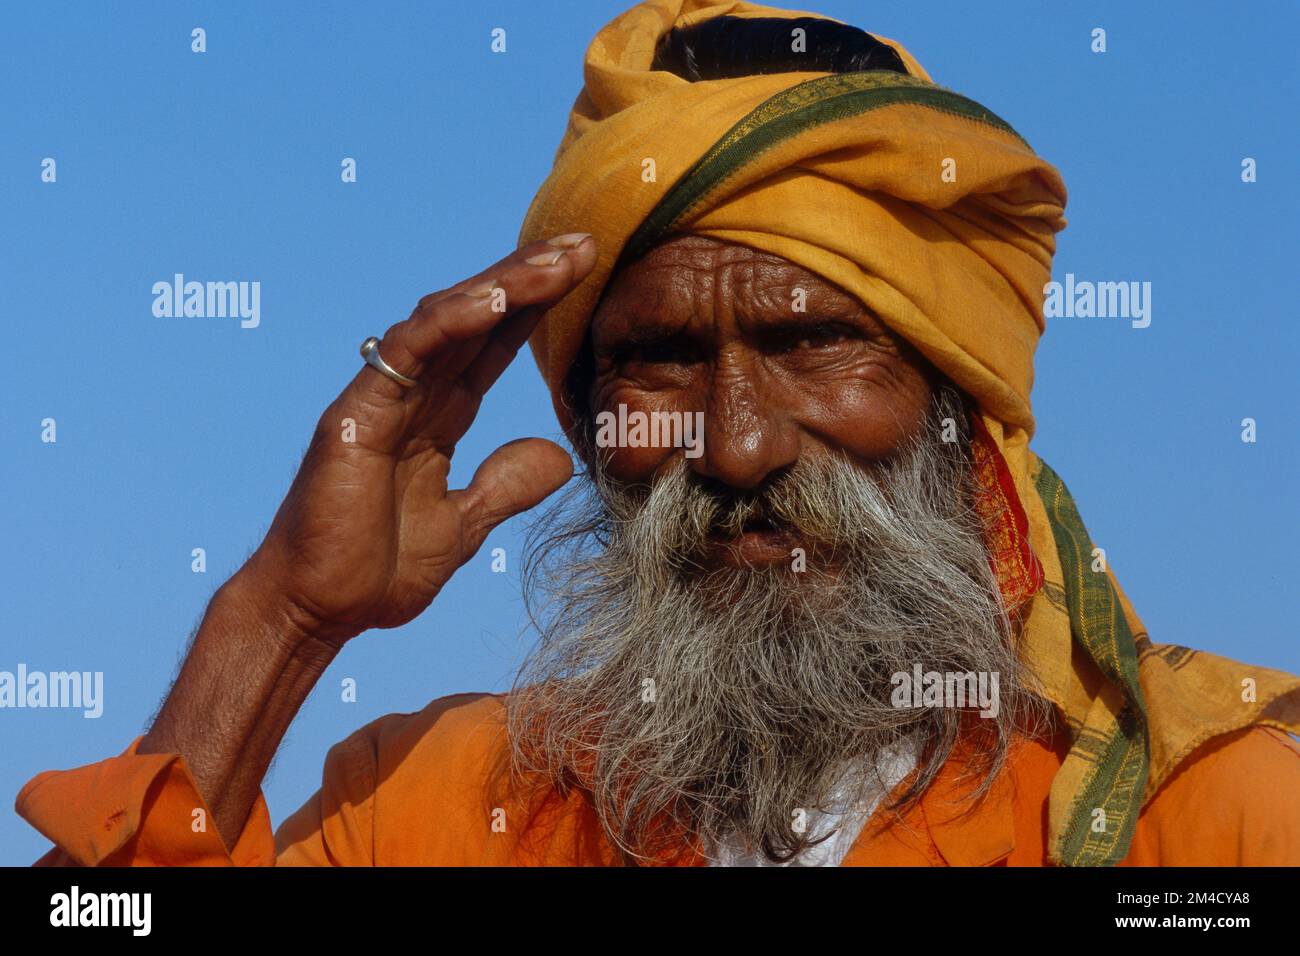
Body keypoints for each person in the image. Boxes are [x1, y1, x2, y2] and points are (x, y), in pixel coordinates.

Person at [16, 0, 1300, 867]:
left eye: (811, 346)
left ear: (955, 400)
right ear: (586, 422)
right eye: (662, 364)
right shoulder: (439, 806)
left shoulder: (1190, 821)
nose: (737, 449)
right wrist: (280, 620)